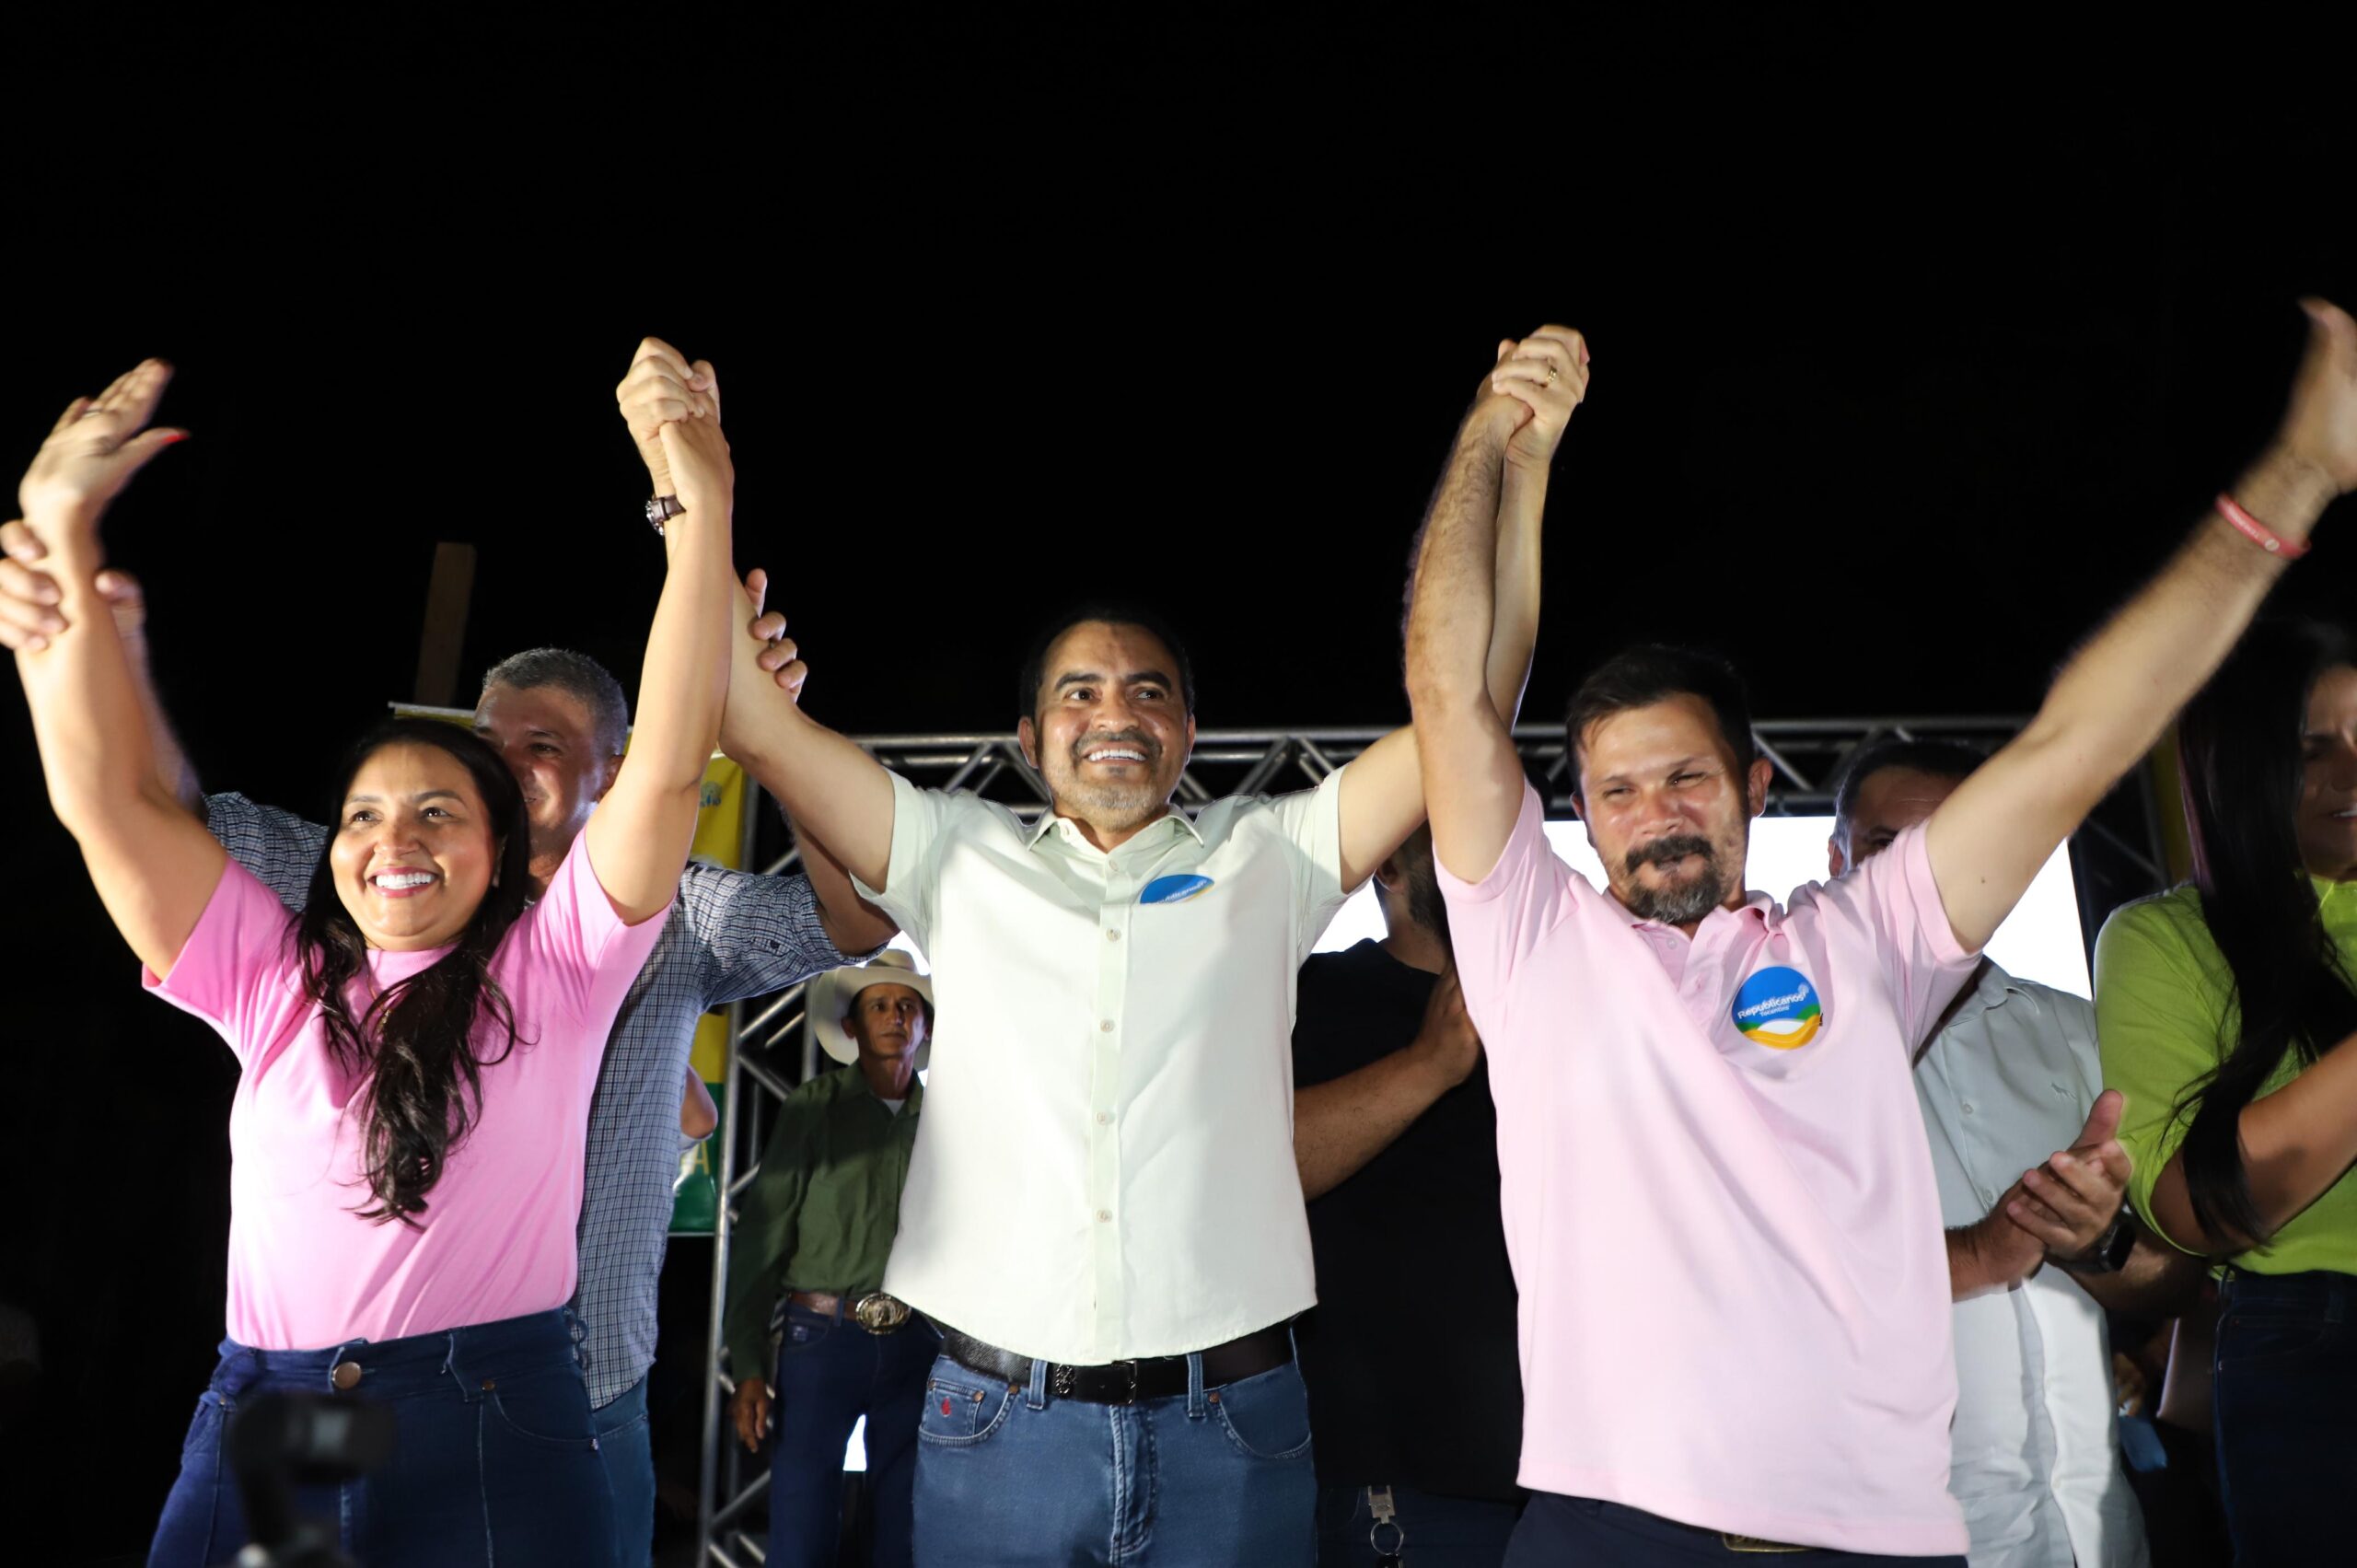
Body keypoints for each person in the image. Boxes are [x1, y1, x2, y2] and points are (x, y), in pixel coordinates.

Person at [1406, 298, 2357, 1565]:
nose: (1657, 813)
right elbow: (1448, 685)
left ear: (1754, 785)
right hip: (1615, 1526)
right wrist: (1500, 443)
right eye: (1618, 789)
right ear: (1573, 813)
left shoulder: (1864, 941)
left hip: (1874, 1536)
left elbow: (2077, 739)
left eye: (1687, 775)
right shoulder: (1536, 947)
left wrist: (2298, 474)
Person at [0, 340, 896, 1566]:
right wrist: (57, 554)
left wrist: (699, 511)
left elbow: (679, 766)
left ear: (498, 854)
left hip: (505, 1413)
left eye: (440, 812)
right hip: (287, 1416)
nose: (392, 837)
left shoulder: (568, 964)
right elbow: (115, 806)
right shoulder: (275, 974)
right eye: (367, 813)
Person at [714, 330, 1573, 1566]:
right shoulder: (956, 852)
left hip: (1238, 1426)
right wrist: (696, 503)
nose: (1114, 709)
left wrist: (1510, 460)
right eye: (1079, 690)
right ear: (1027, 735)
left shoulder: (1268, 852)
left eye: (1148, 690)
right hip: (993, 1421)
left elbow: (1472, 701)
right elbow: (749, 719)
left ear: (1187, 730)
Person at [1832, 738, 2200, 1568]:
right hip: (1889, 1541)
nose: (1919, 880)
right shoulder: (1781, 1050)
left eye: (1950, 847)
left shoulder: (2080, 1032)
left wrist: (2097, 1242)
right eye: (1888, 849)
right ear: (1836, 858)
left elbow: (2179, 1275)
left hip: (2096, 1535)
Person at [2095, 615, 2357, 1566]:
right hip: (2317, 1344)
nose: (2350, 771)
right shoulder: (2168, 939)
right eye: (2311, 746)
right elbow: (2195, 1207)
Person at [1291, 824, 1525, 1566]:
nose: (1482, 845)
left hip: (1587, 1488)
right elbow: (1257, 1167)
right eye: (1448, 830)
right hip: (1407, 1497)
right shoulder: (1311, 995)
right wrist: (1430, 1064)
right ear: (1386, 861)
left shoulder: (1557, 994)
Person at [725, 950, 940, 1568]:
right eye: (878, 1005)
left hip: (918, 1339)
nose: (895, 1016)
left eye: (907, 1006)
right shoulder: (814, 1107)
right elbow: (763, 1234)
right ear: (851, 1026)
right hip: (821, 1336)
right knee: (801, 1523)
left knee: (906, 1526)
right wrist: (747, 1365)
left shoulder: (948, 1118)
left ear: (925, 1026)